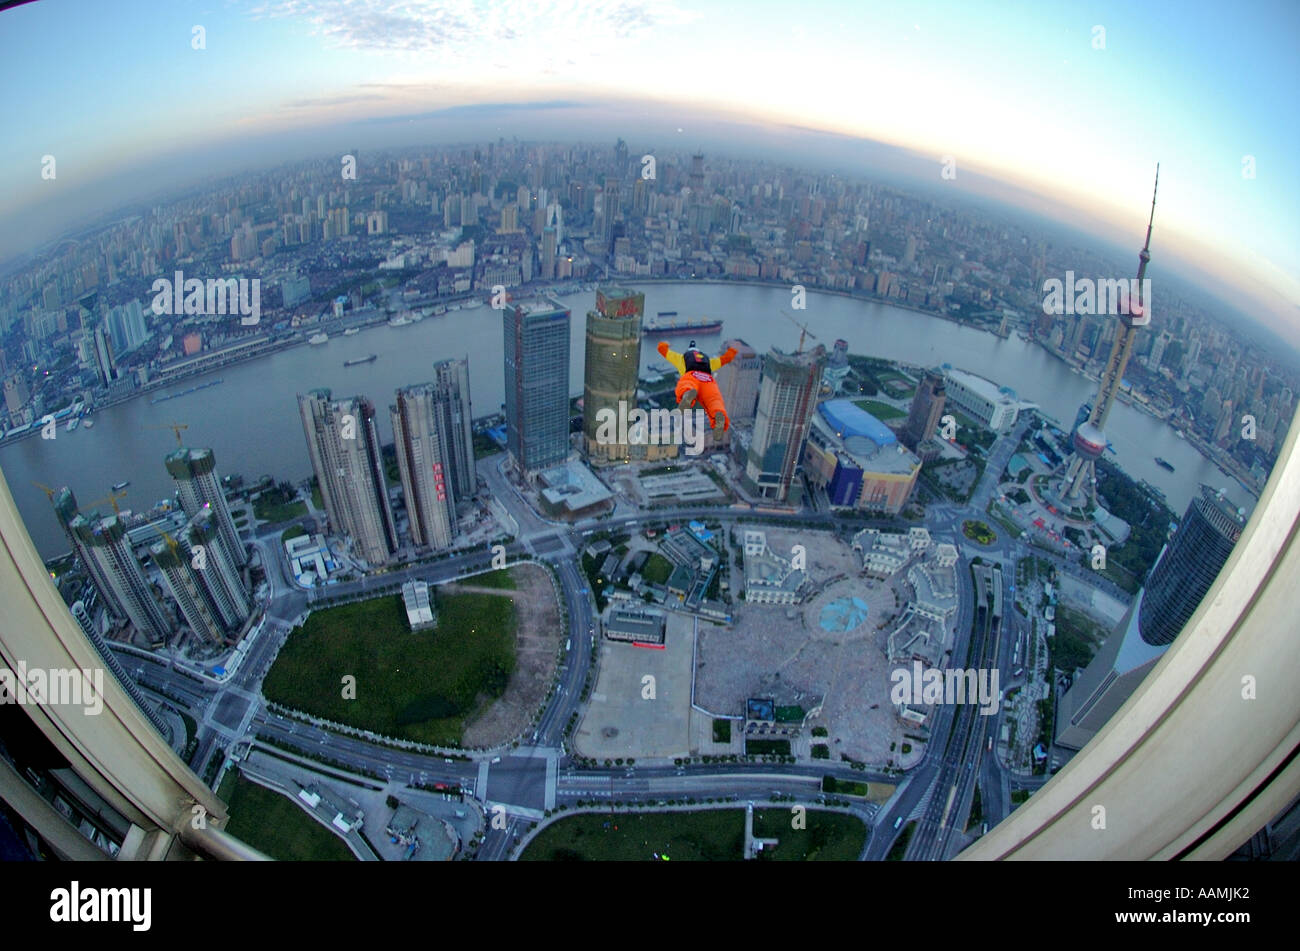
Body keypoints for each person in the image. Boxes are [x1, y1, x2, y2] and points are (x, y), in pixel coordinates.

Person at [657, 338, 738, 430]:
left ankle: (686, 394)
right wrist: (733, 349)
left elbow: (662, 349)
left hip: (691, 376)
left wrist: (665, 343)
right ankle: (718, 415)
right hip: (707, 380)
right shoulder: (709, 361)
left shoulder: (681, 358)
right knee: (714, 399)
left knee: (686, 385)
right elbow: (726, 358)